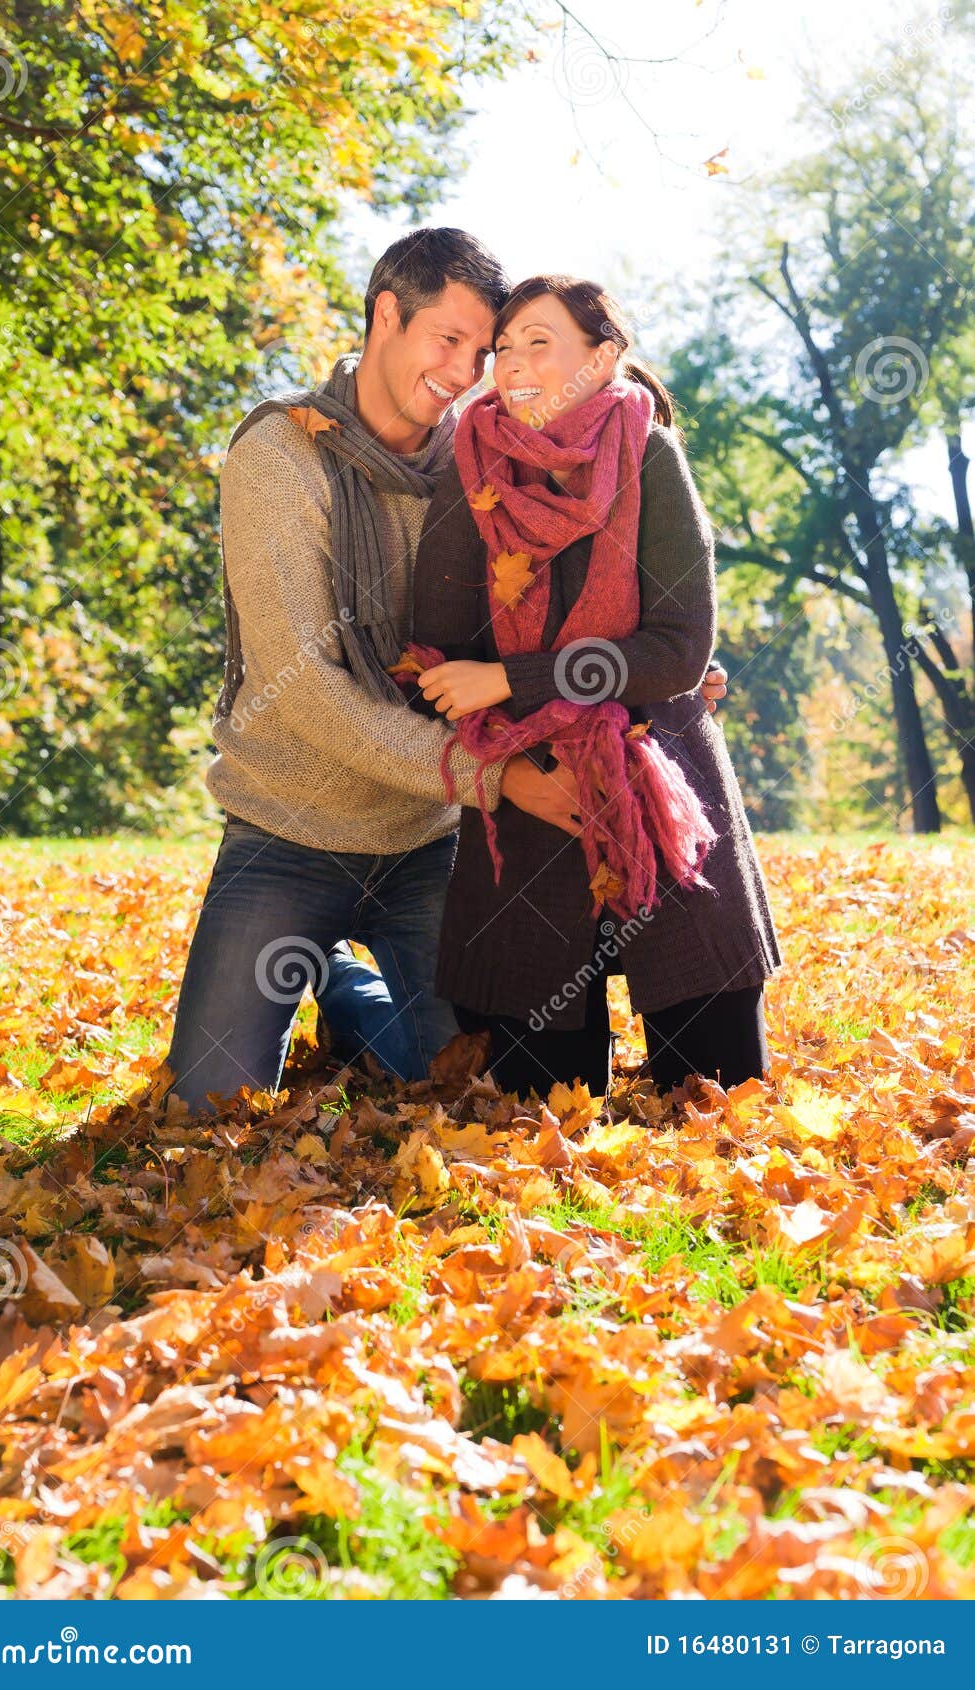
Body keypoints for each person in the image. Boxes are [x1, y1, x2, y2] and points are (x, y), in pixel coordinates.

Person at [162, 233, 728, 1114]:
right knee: (205, 1111)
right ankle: (333, 978)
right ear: (386, 313)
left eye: (484, 348)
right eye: (449, 339)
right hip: (290, 833)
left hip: (433, 838)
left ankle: (351, 1004)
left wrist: (658, 672)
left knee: (472, 1087)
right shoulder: (280, 457)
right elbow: (307, 689)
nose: (467, 371)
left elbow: (573, 580)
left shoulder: (482, 452)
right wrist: (493, 775)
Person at [407, 274, 781, 1100]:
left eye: (539, 342)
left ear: (603, 356)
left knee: (715, 1097)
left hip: (661, 782)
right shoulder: (466, 464)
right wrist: (512, 756)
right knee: (538, 1110)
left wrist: (512, 677)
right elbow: (434, 653)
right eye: (503, 347)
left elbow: (677, 651)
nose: (512, 362)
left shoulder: (648, 452)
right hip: (536, 790)